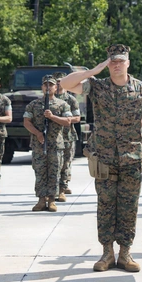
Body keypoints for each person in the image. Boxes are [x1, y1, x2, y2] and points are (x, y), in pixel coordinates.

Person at [61, 44, 142, 273]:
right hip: (103, 157)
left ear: (128, 63)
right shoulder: (97, 87)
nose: (116, 65)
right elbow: (65, 84)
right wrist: (92, 71)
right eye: (112, 61)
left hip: (131, 156)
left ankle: (125, 253)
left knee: (128, 205)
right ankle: (107, 253)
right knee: (105, 204)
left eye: (120, 61)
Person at [24, 76, 74, 212]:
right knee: (40, 171)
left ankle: (52, 199)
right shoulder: (34, 104)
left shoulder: (63, 104)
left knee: (54, 172)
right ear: (42, 87)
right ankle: (41, 200)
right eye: (45, 85)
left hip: (56, 144)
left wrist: (52, 117)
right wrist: (37, 133)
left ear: (55, 87)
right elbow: (26, 122)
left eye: (51, 85)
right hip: (39, 144)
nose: (48, 87)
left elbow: (68, 121)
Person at [54, 71, 82, 201]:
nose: (59, 84)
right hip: (53, 136)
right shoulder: (50, 99)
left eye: (61, 82)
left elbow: (77, 118)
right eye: (57, 82)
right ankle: (54, 187)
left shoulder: (71, 100)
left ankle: (63, 188)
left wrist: (65, 119)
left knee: (66, 163)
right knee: (54, 163)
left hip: (67, 136)